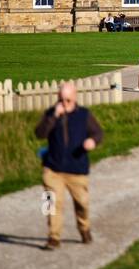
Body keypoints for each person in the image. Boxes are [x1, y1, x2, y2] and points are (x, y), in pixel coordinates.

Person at [34, 82, 104, 250]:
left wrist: (92, 141)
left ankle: (84, 228)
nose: (64, 104)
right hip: (52, 168)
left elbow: (98, 132)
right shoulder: (51, 113)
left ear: (74, 98)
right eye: (61, 99)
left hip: (77, 168)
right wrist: (53, 117)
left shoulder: (84, 115)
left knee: (82, 204)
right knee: (50, 203)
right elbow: (39, 134)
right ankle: (53, 237)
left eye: (67, 100)